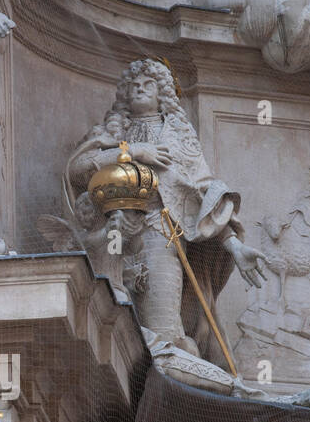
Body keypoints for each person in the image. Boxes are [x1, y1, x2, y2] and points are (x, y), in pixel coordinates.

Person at [66, 58, 266, 363]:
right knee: (110, 321)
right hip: (112, 234)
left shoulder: (181, 142)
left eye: (149, 85)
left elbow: (202, 194)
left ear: (162, 93)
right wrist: (129, 152)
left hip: (160, 236)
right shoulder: (111, 133)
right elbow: (78, 170)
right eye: (134, 86)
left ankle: (173, 379)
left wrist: (234, 245)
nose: (140, 89)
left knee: (163, 334)